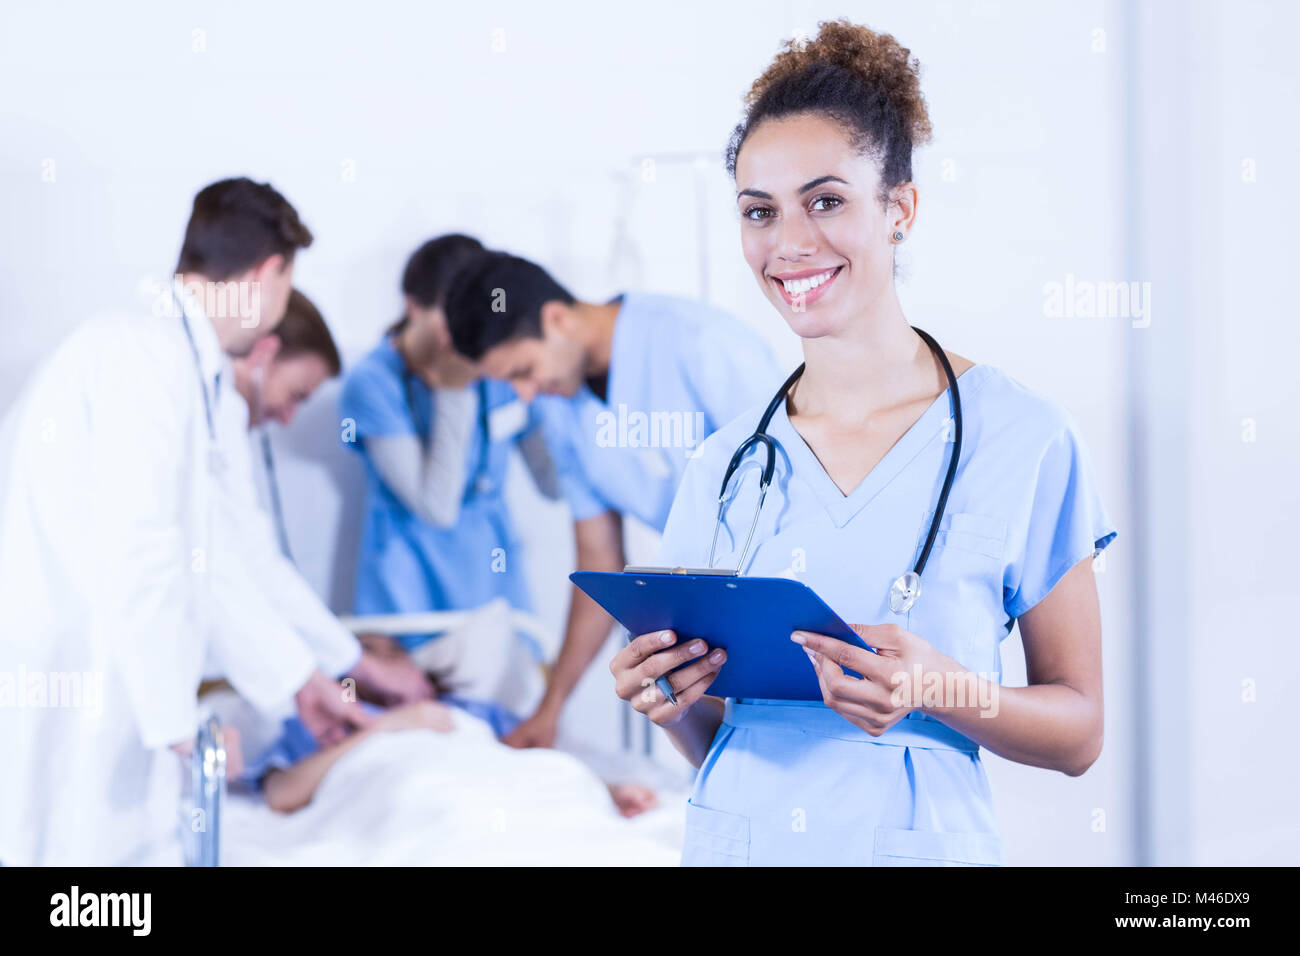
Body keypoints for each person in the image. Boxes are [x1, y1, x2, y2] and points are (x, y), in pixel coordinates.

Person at [609, 20, 1118, 866]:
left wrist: (938, 687)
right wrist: (666, 697)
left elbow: (1080, 732)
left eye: (827, 200)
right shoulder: (727, 465)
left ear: (900, 209)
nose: (790, 243)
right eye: (759, 212)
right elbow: (719, 741)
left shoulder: (1025, 440)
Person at [0, 177, 368, 866]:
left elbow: (217, 558)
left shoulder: (180, 369)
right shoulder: (139, 353)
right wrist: (177, 719)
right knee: (57, 845)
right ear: (270, 274)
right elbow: (145, 548)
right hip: (62, 660)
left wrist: (300, 680)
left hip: (96, 663)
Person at [442, 252, 783, 749]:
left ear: (556, 319)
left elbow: (803, 483)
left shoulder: (701, 344)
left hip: (782, 595)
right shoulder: (562, 410)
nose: (527, 393)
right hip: (715, 626)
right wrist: (550, 709)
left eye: (524, 370)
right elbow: (598, 558)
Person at [338, 235, 559, 658]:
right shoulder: (372, 384)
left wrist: (555, 380)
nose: (465, 337)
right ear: (413, 307)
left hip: (497, 593)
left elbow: (555, 486)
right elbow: (438, 507)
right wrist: (454, 391)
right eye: (451, 321)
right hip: (407, 604)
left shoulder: (497, 368)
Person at [227, 287, 434, 704]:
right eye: (297, 395)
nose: (286, 418)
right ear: (263, 356)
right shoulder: (204, 419)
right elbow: (238, 572)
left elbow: (255, 565)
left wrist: (339, 668)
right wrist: (345, 669)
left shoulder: (220, 427)